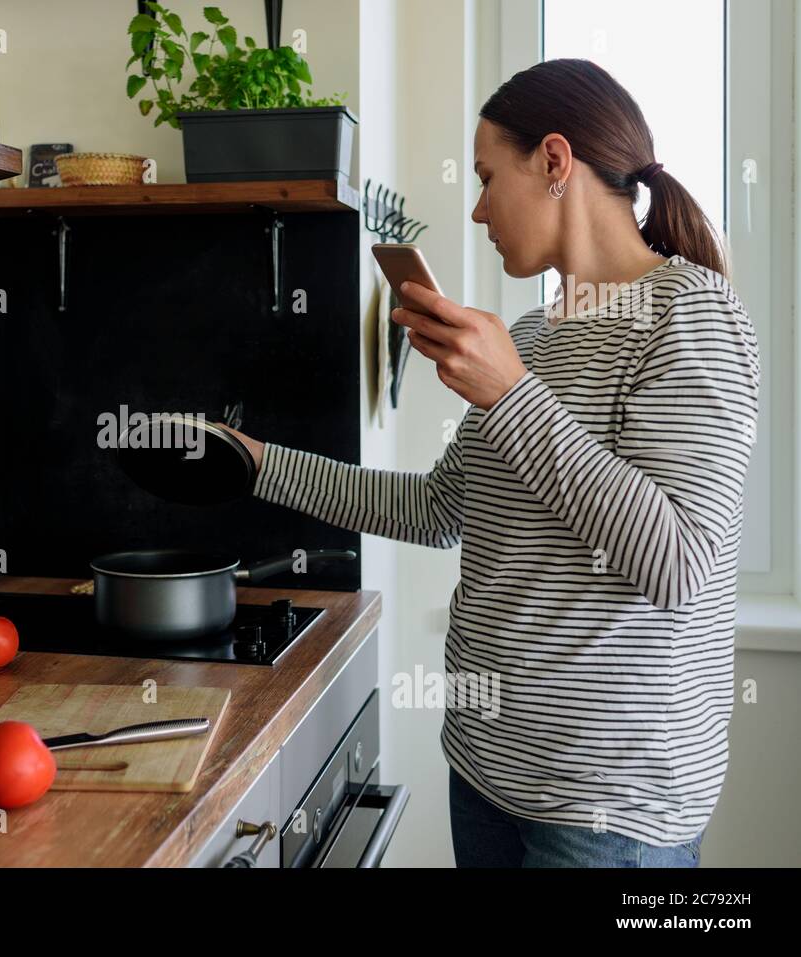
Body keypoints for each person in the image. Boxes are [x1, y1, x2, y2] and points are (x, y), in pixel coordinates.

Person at [222, 59, 760, 868]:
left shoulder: (690, 315)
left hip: (604, 809)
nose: (475, 209)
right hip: (486, 774)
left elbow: (679, 561)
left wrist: (509, 394)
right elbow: (439, 511)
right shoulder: (536, 335)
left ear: (554, 161)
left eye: (485, 177)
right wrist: (258, 462)